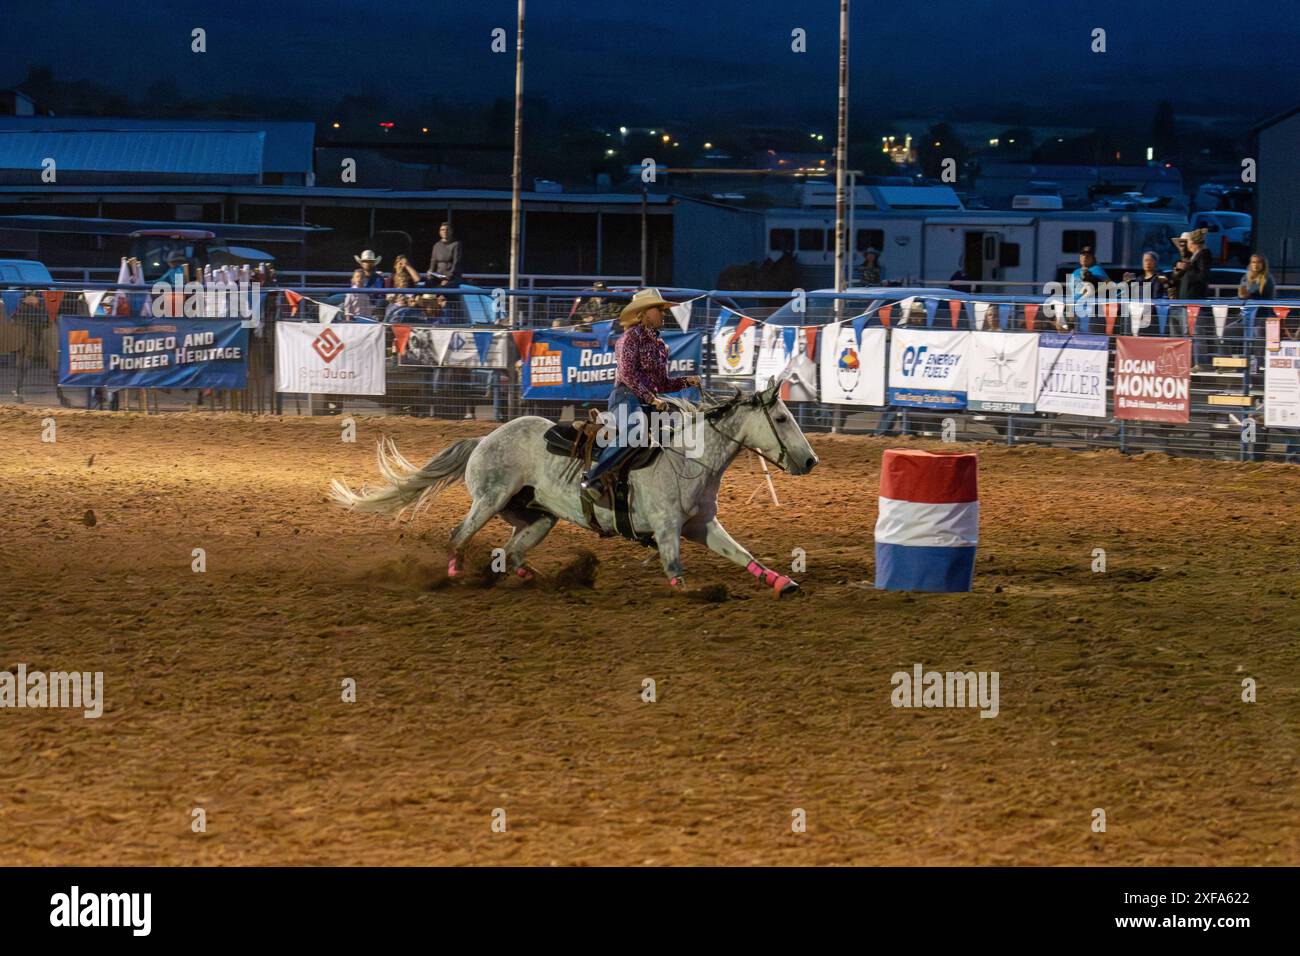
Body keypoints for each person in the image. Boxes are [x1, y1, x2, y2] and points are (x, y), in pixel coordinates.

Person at [580, 288, 701, 497]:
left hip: (648, 401)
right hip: (626, 397)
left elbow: (661, 383)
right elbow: (627, 373)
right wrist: (651, 398)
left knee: (682, 432)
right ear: (644, 313)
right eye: (658, 309)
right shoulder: (629, 338)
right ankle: (593, 478)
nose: (663, 313)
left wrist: (685, 381)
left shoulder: (661, 345)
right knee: (635, 431)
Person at [1178, 230, 1213, 368]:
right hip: (1187, 301)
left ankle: (1201, 362)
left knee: (1197, 331)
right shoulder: (1193, 257)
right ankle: (1190, 361)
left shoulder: (1203, 254)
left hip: (1195, 300)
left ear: (1192, 243)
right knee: (1188, 332)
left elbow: (1203, 276)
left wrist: (1188, 269)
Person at [1067, 247, 1108, 330]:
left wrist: (1091, 278)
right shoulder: (1075, 272)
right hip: (1076, 309)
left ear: (1093, 258)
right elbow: (1071, 293)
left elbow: (1108, 286)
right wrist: (1069, 310)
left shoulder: (1097, 270)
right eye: (1082, 255)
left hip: (1091, 309)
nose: (1085, 257)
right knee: (1077, 338)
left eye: (1088, 256)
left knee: (1090, 337)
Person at [344, 249, 386, 320]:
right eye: (365, 261)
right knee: (340, 302)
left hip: (371, 305)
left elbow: (381, 297)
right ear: (361, 263)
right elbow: (352, 293)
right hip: (356, 303)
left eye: (370, 261)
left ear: (373, 263)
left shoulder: (379, 279)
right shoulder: (357, 276)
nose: (367, 263)